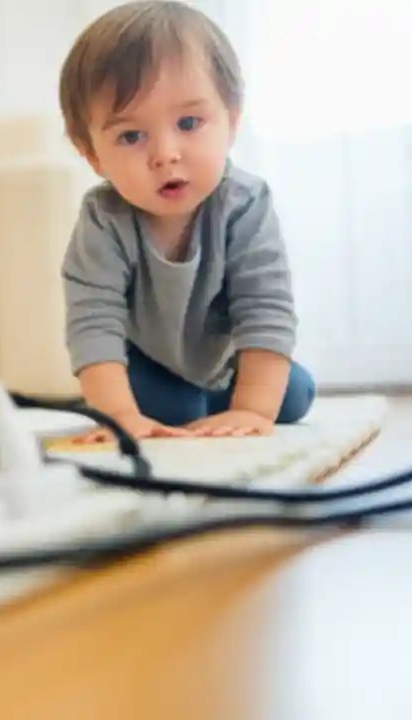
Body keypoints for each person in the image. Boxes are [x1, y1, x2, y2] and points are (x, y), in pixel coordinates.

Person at [58, 1, 316, 442]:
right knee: (164, 403)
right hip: (149, 364)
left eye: (189, 122)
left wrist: (252, 410)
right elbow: (93, 324)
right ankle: (192, 404)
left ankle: (215, 402)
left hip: (226, 363)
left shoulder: (245, 203)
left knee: (293, 395)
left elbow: (265, 308)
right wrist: (119, 415)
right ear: (92, 153)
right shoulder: (103, 220)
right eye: (131, 136)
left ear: (232, 122)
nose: (165, 154)